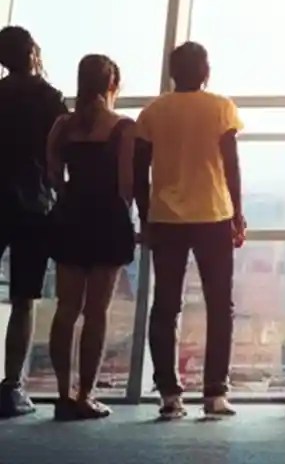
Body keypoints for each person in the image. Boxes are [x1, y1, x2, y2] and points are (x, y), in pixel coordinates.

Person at [135, 42, 245, 421]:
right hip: (213, 214)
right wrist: (238, 213)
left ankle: (169, 394)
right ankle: (215, 393)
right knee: (220, 306)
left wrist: (145, 216)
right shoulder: (220, 107)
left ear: (172, 73)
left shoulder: (152, 112)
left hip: (165, 217)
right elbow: (231, 163)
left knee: (165, 306)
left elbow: (139, 171)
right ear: (205, 72)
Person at [44, 55, 136, 421]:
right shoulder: (122, 127)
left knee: (66, 308)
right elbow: (126, 185)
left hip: (71, 217)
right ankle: (86, 394)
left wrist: (70, 197)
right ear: (113, 85)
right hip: (107, 219)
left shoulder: (62, 125)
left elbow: (53, 175)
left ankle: (62, 394)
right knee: (97, 312)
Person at [0, 26, 66, 418]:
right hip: (34, 205)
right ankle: (11, 386)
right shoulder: (49, 99)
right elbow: (59, 152)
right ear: (32, 53)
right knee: (24, 299)